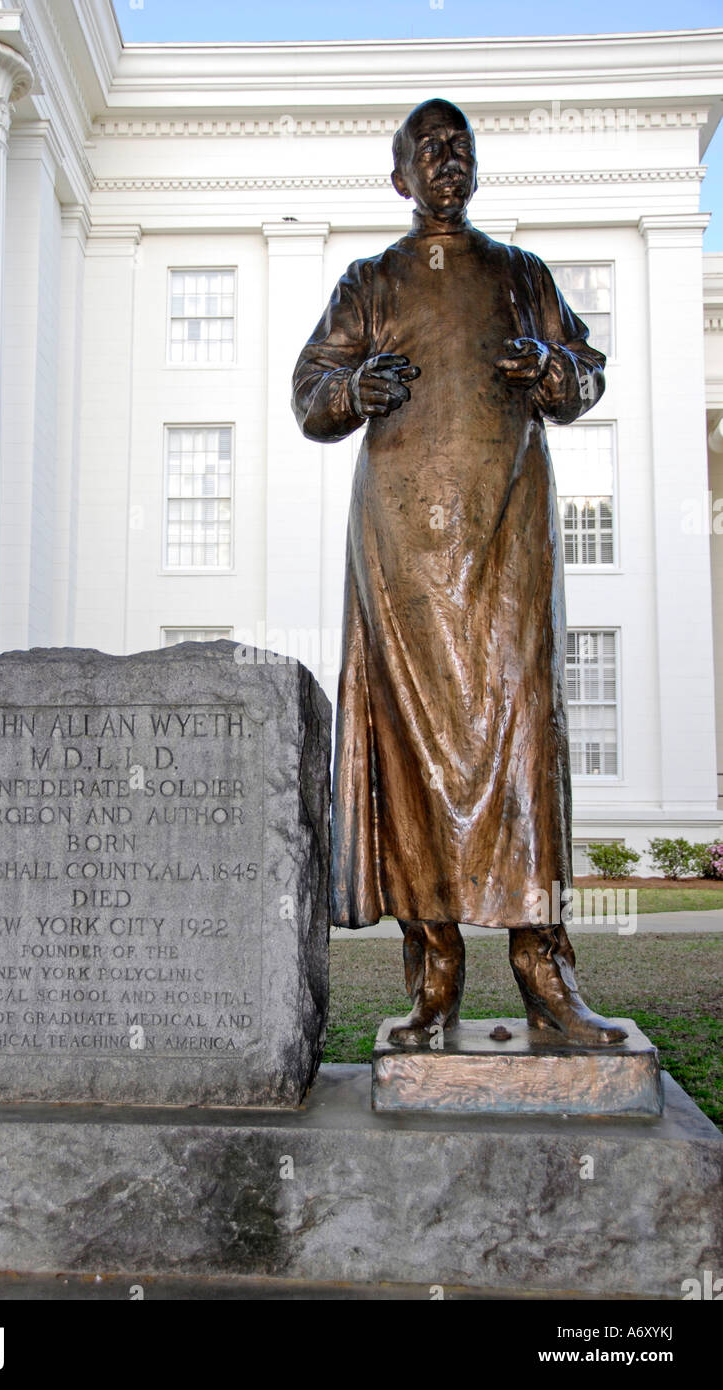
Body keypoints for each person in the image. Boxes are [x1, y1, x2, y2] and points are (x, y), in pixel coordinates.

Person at [292, 98, 626, 1047]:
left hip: (508, 539)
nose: (449, 159)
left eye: (460, 145)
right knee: (409, 747)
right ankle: (434, 975)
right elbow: (310, 396)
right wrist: (354, 387)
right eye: (429, 148)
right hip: (402, 550)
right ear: (400, 177)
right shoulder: (371, 282)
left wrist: (552, 366)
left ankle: (544, 972)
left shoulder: (522, 275)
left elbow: (587, 374)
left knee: (523, 730)